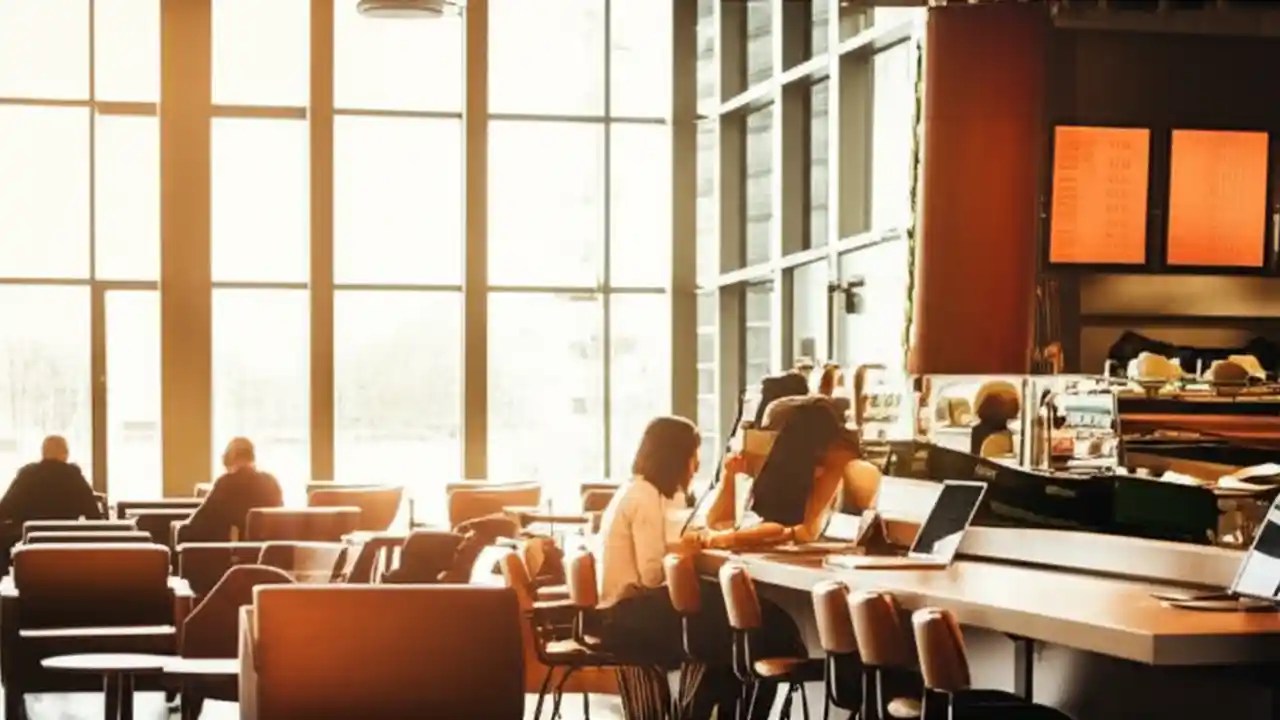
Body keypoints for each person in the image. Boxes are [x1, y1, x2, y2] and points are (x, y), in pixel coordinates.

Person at [598, 416, 780, 720]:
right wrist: (687, 550)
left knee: (740, 634)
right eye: (694, 455)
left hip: (629, 611)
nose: (696, 466)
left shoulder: (646, 492)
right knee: (752, 633)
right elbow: (652, 575)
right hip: (629, 616)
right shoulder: (644, 496)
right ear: (676, 456)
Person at [704, 395, 883, 547]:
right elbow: (719, 525)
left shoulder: (854, 471)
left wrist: (734, 538)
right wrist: (730, 477)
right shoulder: (799, 478)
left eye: (770, 437)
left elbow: (809, 532)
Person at [183, 437, 283, 542]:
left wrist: (178, 530)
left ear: (228, 461)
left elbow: (198, 524)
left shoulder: (226, 483)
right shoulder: (271, 482)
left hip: (234, 549)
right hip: (268, 548)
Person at [0, 435, 102, 526]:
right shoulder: (74, 476)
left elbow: (5, 510)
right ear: (65, 454)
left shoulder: (27, 475)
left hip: (29, 537)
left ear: (43, 453)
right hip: (64, 537)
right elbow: (94, 515)